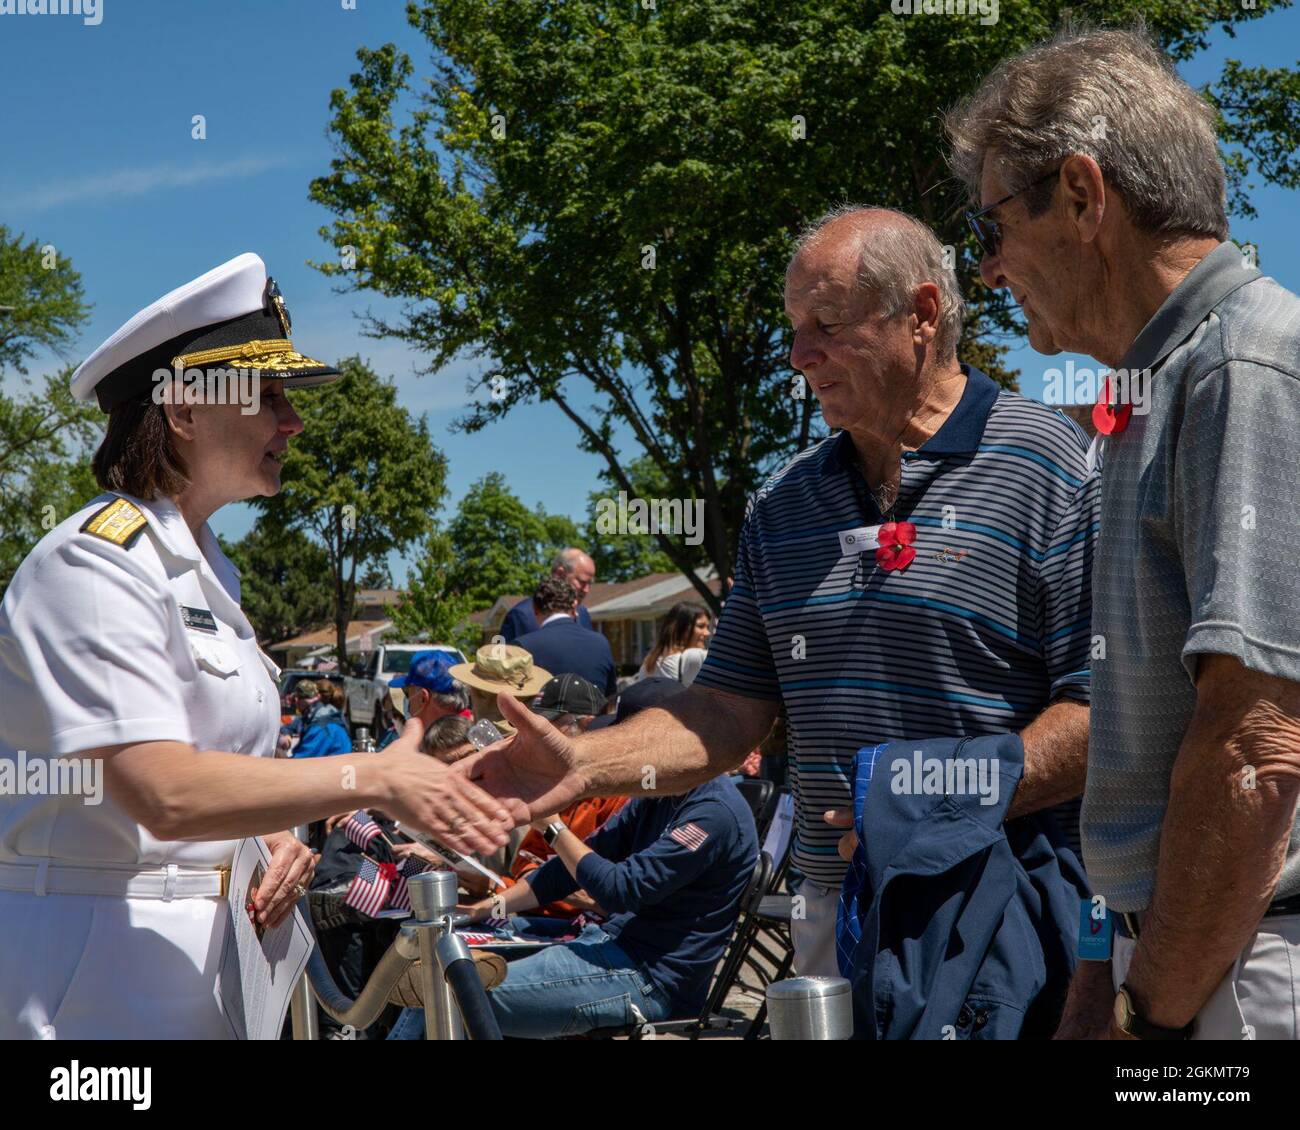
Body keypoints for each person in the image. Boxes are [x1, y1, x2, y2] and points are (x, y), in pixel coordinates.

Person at [462, 206, 1098, 980]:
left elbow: (1100, 712)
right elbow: (726, 713)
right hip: (832, 913)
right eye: (794, 327)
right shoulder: (784, 503)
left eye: (826, 323)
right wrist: (585, 762)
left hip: (1005, 906)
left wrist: (925, 805)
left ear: (923, 313)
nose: (799, 355)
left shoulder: (1050, 463)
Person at [0, 253, 513, 1039]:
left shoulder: (209, 572)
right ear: (182, 412)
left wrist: (268, 834)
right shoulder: (92, 562)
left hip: (203, 974)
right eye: (269, 396)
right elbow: (162, 792)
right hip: (91, 986)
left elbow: (212, 768)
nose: (293, 422)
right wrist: (371, 774)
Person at [946, 25, 1300, 1040]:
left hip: (1238, 973)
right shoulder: (1164, 381)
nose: (987, 269)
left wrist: (1148, 1020)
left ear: (1083, 196)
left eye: (990, 228)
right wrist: (1103, 976)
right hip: (1195, 958)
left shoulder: (1241, 367)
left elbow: (1256, 745)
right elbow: (1144, 757)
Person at [392, 681, 758, 1039]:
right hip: (608, 945)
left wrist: (551, 827)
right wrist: (483, 910)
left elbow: (620, 890)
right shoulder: (662, 792)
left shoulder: (712, 812)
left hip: (649, 980)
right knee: (435, 969)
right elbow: (564, 873)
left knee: (448, 994)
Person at [512, 576, 618, 698]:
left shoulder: (522, 647)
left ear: (535, 609)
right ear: (574, 606)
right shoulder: (601, 643)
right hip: (595, 716)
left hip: (542, 717)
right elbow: (611, 698)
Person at [500, 548, 597, 641]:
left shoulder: (583, 613)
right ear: (560, 574)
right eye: (582, 582)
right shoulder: (522, 616)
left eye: (590, 583)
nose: (586, 590)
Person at [632, 601, 711, 686]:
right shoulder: (694, 656)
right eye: (700, 626)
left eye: (707, 627)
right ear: (681, 628)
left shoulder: (650, 662)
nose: (707, 633)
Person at [291, 679, 353, 759]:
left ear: (318, 697)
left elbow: (299, 761)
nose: (296, 701)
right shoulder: (328, 716)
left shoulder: (322, 727)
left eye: (301, 697)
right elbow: (292, 726)